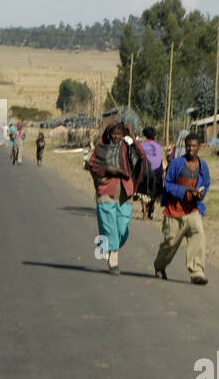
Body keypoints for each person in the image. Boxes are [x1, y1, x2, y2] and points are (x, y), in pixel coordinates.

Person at [154, 132, 210, 285]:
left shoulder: (203, 165)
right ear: (184, 146)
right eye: (188, 146)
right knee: (171, 242)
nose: (190, 148)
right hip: (174, 210)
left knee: (198, 232)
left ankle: (197, 272)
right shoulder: (176, 164)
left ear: (199, 147)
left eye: (194, 146)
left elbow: (206, 183)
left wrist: (200, 192)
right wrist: (184, 191)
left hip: (192, 209)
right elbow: (168, 185)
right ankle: (159, 266)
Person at [86, 121, 141, 274]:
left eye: (119, 133)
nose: (116, 136)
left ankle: (108, 245)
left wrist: (132, 137)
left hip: (125, 193)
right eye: (113, 133)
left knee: (122, 230)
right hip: (106, 192)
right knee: (110, 227)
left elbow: (141, 157)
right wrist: (106, 170)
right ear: (108, 134)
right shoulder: (101, 148)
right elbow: (92, 165)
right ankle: (113, 260)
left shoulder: (127, 147)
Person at [137, 126, 164, 220]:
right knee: (155, 191)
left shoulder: (140, 145)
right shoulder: (158, 146)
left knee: (142, 191)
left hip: (143, 172)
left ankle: (144, 210)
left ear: (144, 134)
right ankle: (150, 208)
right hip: (155, 173)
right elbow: (159, 160)